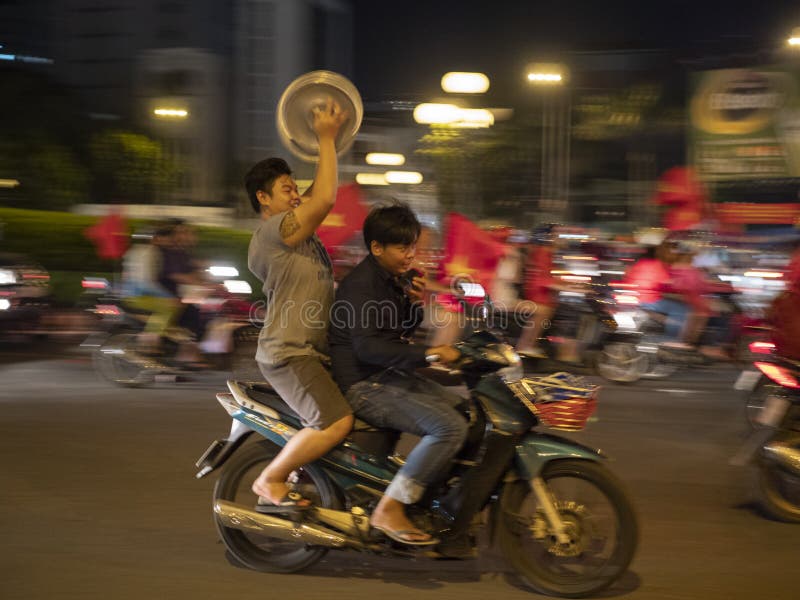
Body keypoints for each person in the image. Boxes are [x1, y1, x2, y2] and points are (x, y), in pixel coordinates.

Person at [329, 203, 469, 546]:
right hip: (364, 385)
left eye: (413, 247)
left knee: (467, 412)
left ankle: (433, 498)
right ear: (377, 247)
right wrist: (431, 352)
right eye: (402, 247)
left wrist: (412, 303)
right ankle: (390, 507)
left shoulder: (390, 279)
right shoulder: (362, 286)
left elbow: (398, 333)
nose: (411, 255)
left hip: (387, 376)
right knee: (449, 427)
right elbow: (369, 348)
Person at [246, 97, 353, 509]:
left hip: (312, 351)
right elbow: (324, 199)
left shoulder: (299, 239)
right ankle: (270, 479)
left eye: (296, 189)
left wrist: (329, 139)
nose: (295, 197)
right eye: (286, 190)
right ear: (263, 199)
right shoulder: (272, 233)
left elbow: (317, 192)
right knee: (336, 421)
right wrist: (325, 137)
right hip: (289, 353)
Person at [120, 225, 182, 354]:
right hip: (137, 297)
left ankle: (156, 340)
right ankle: (149, 341)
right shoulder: (151, 252)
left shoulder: (133, 250)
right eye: (168, 239)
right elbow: (146, 282)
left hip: (127, 295)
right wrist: (168, 297)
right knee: (169, 307)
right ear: (156, 239)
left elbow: (126, 275)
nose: (169, 242)